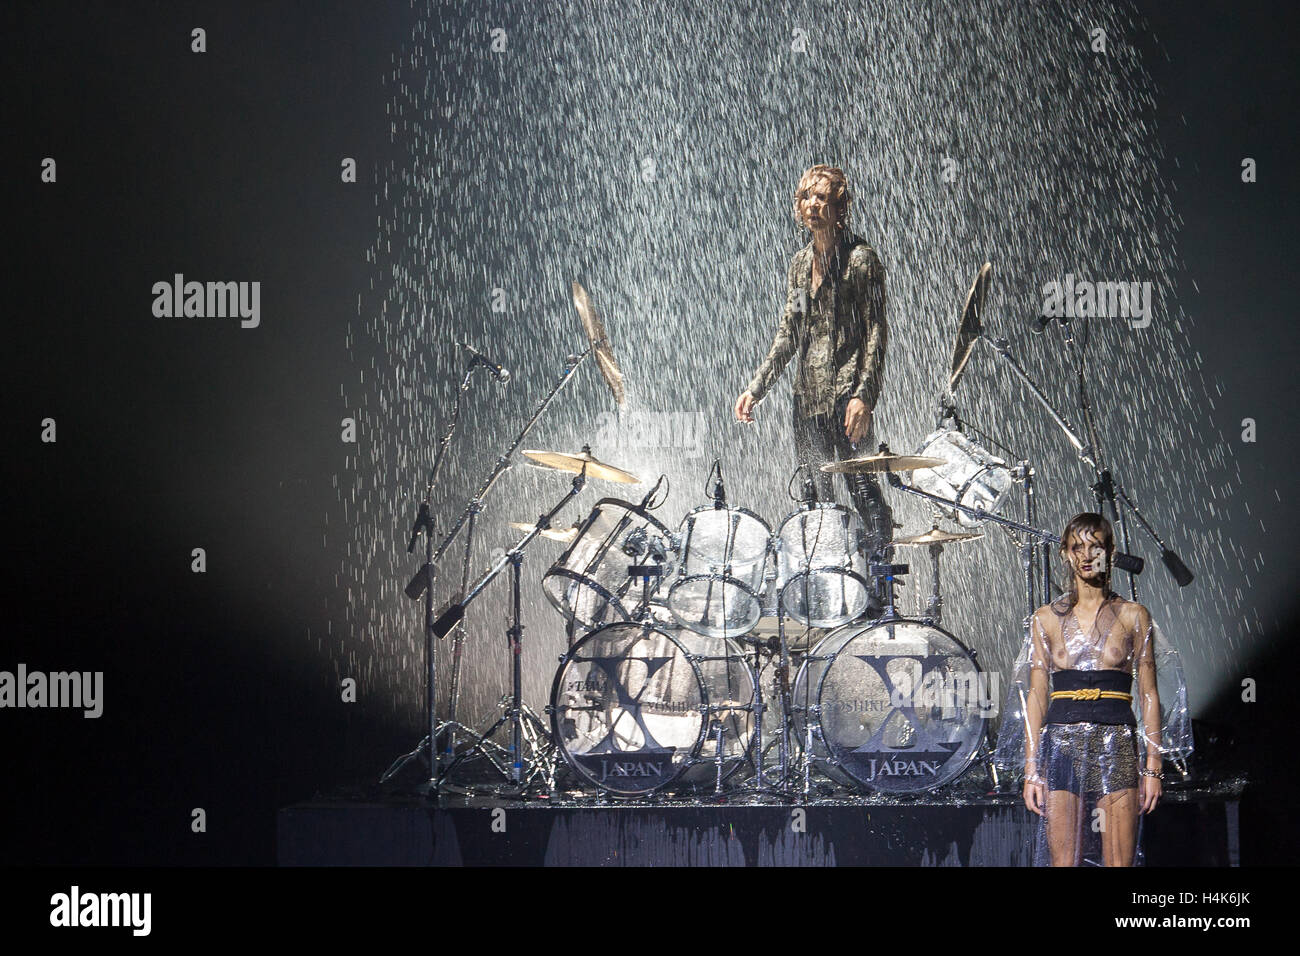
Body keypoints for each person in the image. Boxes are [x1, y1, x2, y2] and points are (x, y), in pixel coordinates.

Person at [733, 165, 893, 562]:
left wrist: (864, 396)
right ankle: (826, 584)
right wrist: (757, 388)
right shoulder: (801, 266)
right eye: (807, 197)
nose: (813, 205)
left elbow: (876, 331)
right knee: (814, 496)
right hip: (808, 399)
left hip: (846, 396)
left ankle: (880, 588)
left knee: (863, 490)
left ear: (840, 209)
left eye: (823, 198)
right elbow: (790, 333)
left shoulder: (861, 260)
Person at [1017, 513, 1163, 866]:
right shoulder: (1046, 619)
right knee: (1063, 862)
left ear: (1110, 552)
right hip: (1063, 745)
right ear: (1067, 554)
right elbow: (1036, 695)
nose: (1085, 555)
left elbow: (1148, 694)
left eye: (1094, 547)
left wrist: (1153, 765)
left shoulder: (1133, 615)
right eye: (1076, 547)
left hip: (1117, 744)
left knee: (1119, 862)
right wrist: (1031, 769)